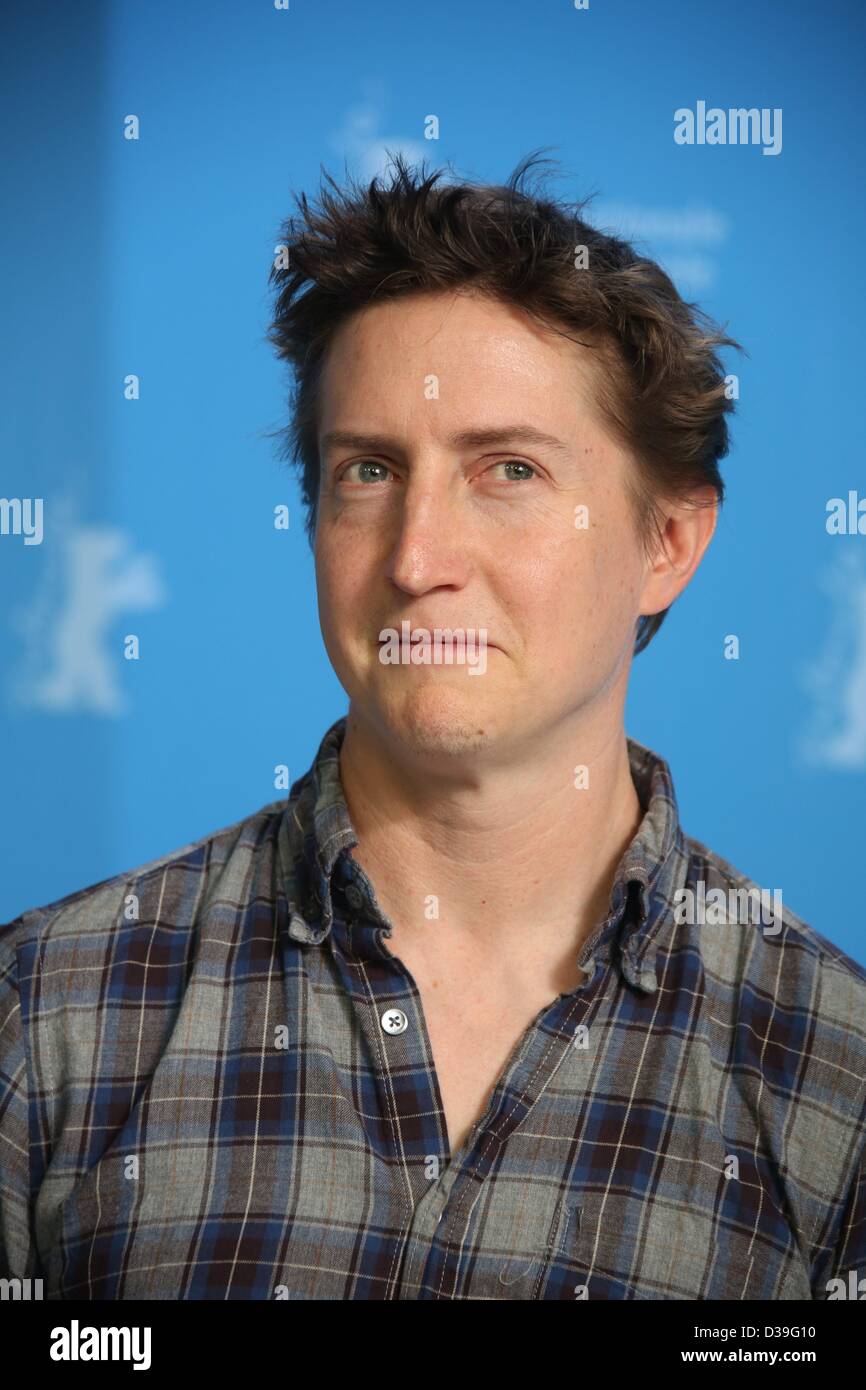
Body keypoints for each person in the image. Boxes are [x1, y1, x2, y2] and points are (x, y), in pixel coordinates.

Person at [2, 155, 864, 1301]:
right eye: (368, 471)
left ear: (665, 540)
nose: (416, 562)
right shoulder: (47, 1013)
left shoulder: (832, 1081)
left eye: (505, 469)